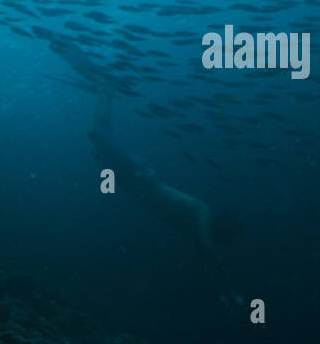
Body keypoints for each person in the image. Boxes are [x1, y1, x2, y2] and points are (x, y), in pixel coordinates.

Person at [88, 91, 241, 289]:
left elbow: (200, 247)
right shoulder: (203, 211)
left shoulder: (194, 226)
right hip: (141, 177)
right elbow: (206, 247)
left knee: (103, 140)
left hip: (138, 185)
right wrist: (220, 268)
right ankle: (105, 88)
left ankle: (105, 95)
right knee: (102, 135)